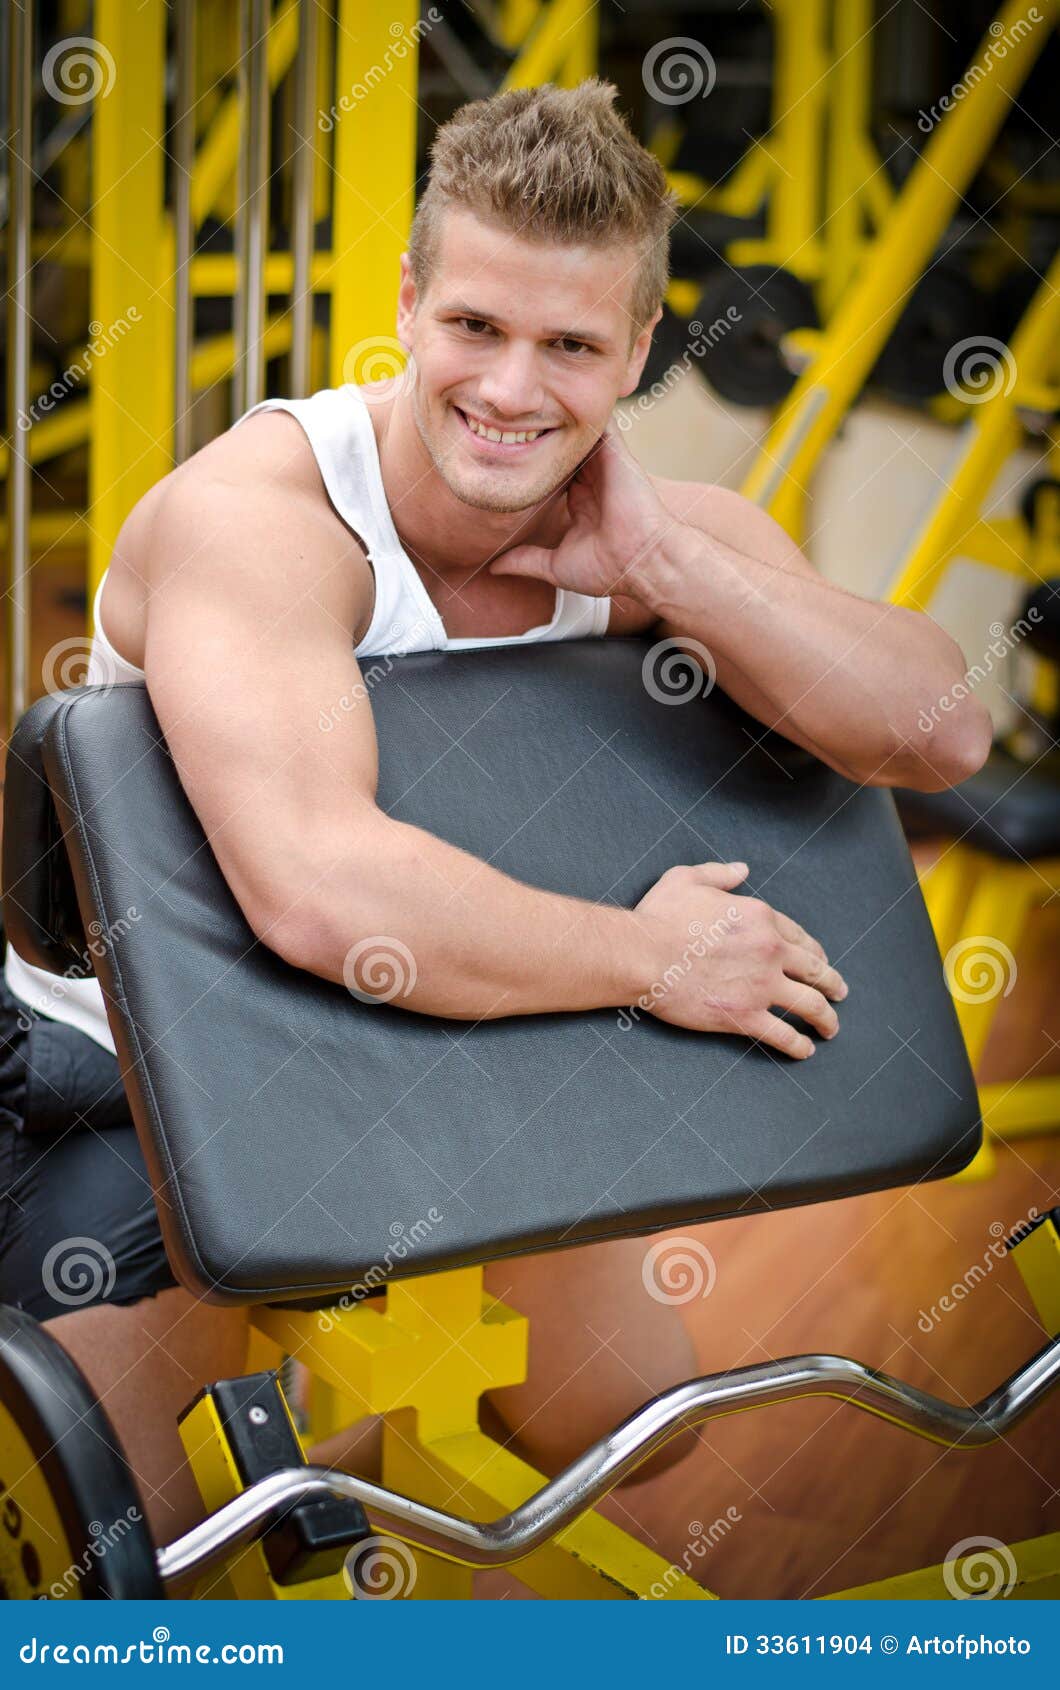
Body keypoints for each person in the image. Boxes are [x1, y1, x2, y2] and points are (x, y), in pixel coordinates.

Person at [0, 79, 991, 1551]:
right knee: (132, 1545)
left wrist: (665, 560)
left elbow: (941, 726)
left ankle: (333, 1460)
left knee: (621, 1427)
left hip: (472, 1037)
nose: (515, 391)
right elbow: (324, 891)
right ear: (409, 298)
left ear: (640, 349)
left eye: (573, 346)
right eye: (476, 327)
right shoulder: (261, 520)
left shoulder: (667, 541)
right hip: (147, 1066)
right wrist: (660, 960)